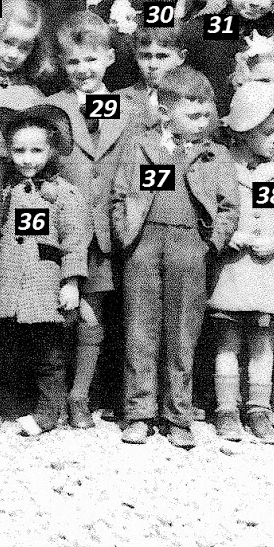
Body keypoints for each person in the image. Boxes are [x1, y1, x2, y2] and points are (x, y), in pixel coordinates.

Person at [111, 65, 239, 448]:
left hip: (190, 248)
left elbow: (229, 207)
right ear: (165, 112)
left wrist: (209, 244)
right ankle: (139, 412)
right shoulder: (139, 146)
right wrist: (127, 238)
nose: (203, 123)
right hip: (144, 245)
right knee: (140, 331)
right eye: (193, 115)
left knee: (184, 333)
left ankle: (178, 415)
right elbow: (120, 196)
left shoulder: (216, 155)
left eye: (206, 115)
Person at [208, 80, 274, 444]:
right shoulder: (222, 165)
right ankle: (225, 407)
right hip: (232, 268)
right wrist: (225, 234)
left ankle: (259, 408)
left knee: (263, 340)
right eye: (267, 132)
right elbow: (209, 209)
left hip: (269, 269)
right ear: (245, 130)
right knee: (228, 340)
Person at [0, 104, 89, 436]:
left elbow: (74, 241)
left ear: (52, 150)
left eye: (36, 150)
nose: (27, 158)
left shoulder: (65, 195)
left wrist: (71, 283)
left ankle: (46, 414)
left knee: (48, 357)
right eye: (18, 150)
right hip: (3, 283)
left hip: (43, 287)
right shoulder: (1, 194)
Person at [45, 12, 133, 425]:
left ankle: (80, 395)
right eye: (74, 62)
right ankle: (53, 394)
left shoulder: (129, 109)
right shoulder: (52, 108)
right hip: (63, 230)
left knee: (93, 312)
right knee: (60, 311)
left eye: (91, 60)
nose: (83, 70)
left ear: (110, 58)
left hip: (110, 230)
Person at [0, 0, 54, 107]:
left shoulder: (31, 97)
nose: (13, 54)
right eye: (8, 42)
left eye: (24, 48)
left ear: (33, 50)